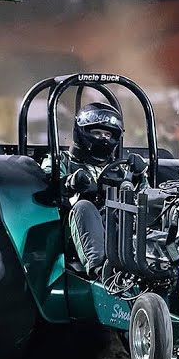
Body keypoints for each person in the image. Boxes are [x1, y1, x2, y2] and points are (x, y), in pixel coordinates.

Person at [47, 102, 128, 278]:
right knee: (85, 206)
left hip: (116, 231)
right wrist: (69, 183)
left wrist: (138, 177)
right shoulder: (60, 160)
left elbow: (147, 202)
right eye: (97, 133)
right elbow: (44, 184)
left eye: (108, 134)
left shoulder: (122, 168)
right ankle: (100, 270)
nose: (103, 139)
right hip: (69, 232)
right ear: (81, 133)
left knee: (119, 210)